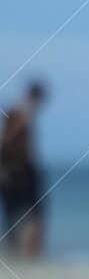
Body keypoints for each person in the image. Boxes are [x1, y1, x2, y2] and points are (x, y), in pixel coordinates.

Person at [0, 80, 50, 256]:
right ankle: (27, 259)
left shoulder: (19, 112)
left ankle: (21, 260)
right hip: (19, 174)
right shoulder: (21, 113)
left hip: (16, 174)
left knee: (17, 219)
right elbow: (7, 143)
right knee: (32, 219)